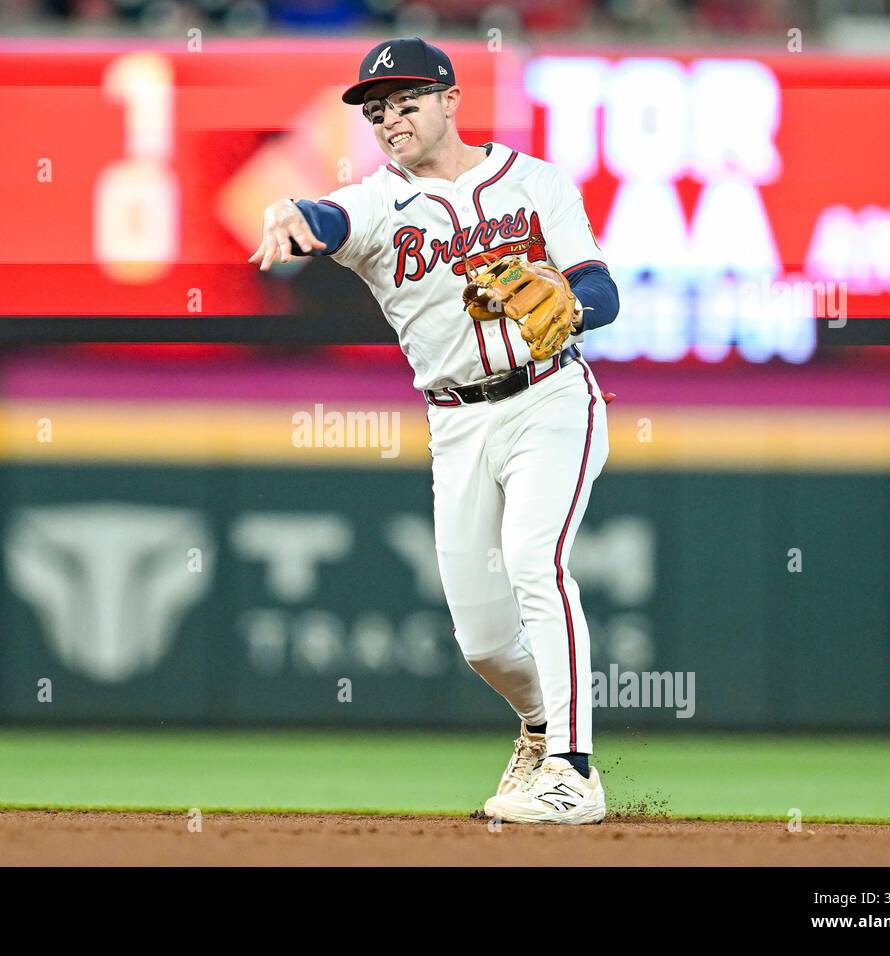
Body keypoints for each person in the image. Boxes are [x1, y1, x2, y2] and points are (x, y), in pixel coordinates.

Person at [248, 37, 619, 824]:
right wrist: (291, 210)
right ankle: (539, 726)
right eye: (377, 110)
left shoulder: (535, 182)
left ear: (451, 100)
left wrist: (570, 307)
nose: (390, 118)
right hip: (455, 421)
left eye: (406, 101)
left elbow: (601, 290)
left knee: (533, 557)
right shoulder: (381, 200)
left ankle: (573, 772)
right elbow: (329, 214)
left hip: (551, 399)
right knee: (482, 640)